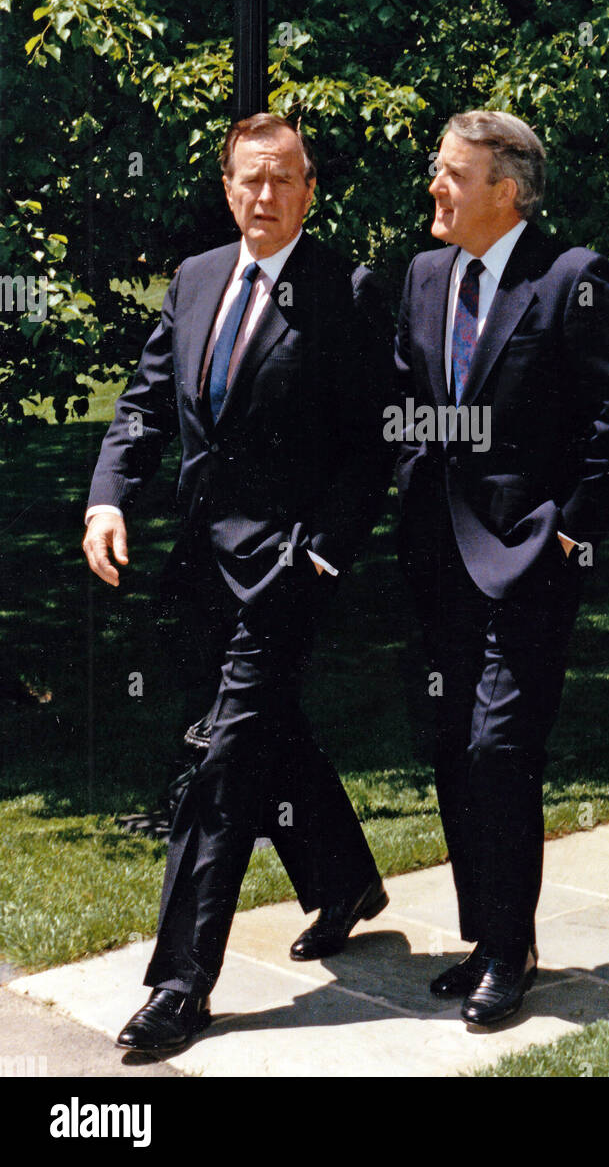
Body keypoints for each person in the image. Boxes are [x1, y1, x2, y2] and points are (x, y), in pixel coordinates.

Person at [83, 113, 394, 1055]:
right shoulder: (195, 278)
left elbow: (372, 444)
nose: (266, 195)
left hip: (287, 570)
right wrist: (107, 499)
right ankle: (344, 879)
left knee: (222, 763)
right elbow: (144, 406)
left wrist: (321, 553)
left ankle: (181, 985)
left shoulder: (345, 290)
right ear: (227, 189)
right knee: (266, 732)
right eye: (250, 179)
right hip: (197, 571)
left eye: (283, 178)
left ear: (309, 190)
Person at [394, 110, 609, 1025]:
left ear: (504, 191)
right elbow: (408, 397)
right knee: (451, 748)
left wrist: (569, 535)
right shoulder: (425, 275)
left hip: (529, 560)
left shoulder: (571, 278)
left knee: (499, 749)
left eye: (452, 175)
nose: (435, 186)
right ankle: (486, 936)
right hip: (437, 558)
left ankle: (510, 953)